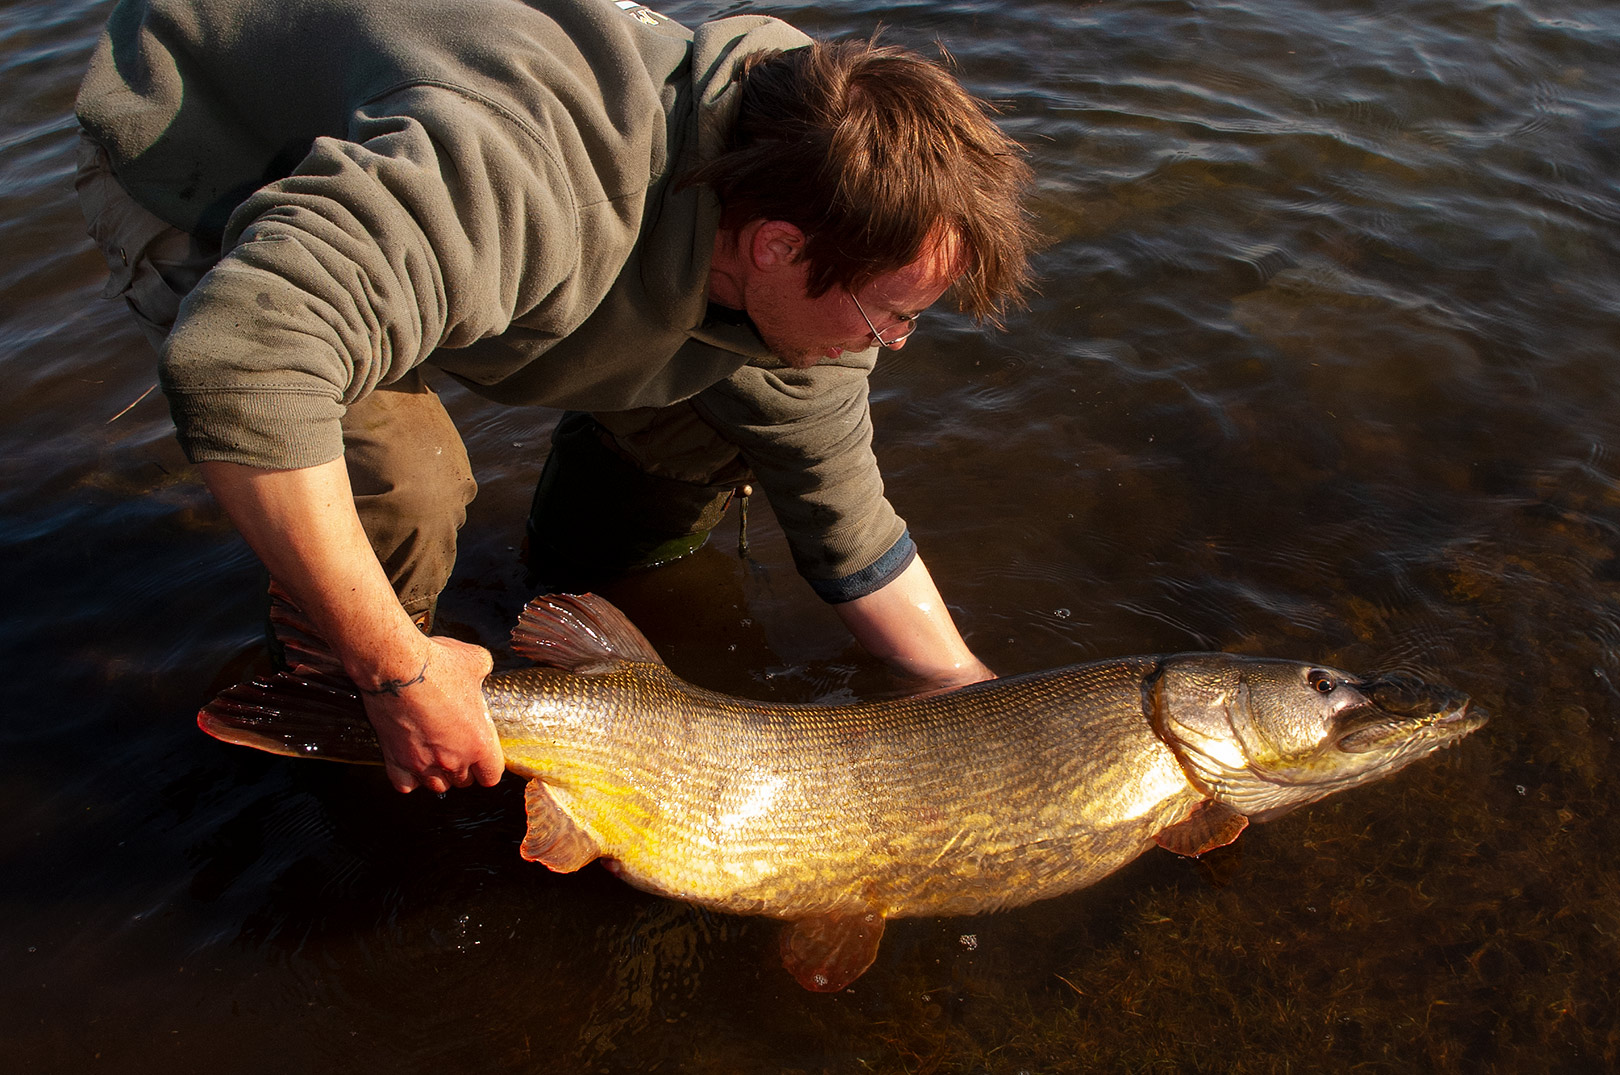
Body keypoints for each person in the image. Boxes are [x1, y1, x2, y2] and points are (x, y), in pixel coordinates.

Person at [75, 0, 1038, 796]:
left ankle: (578, 576)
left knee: (742, 401)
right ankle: (342, 704)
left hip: (429, 175)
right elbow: (240, 353)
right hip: (206, 129)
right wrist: (396, 666)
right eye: (890, 317)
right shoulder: (537, 186)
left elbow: (842, 507)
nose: (896, 343)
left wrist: (966, 697)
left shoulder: (807, 227)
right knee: (404, 483)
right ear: (779, 246)